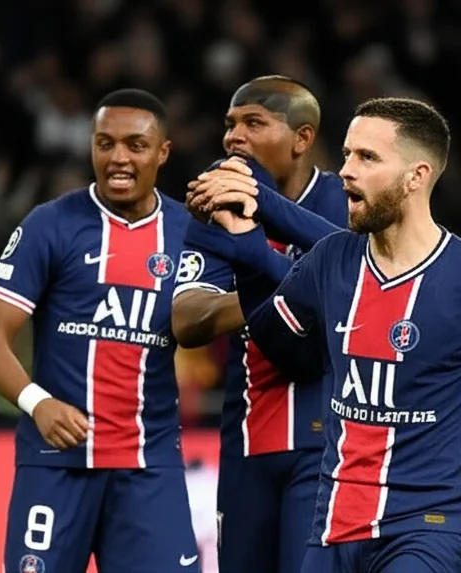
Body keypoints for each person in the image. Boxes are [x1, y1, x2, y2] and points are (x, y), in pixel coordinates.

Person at [194, 97, 461, 573]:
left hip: (432, 530)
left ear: (416, 176)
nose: (346, 170)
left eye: (367, 157)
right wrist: (245, 243)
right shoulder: (332, 261)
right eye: (347, 154)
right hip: (332, 531)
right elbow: (275, 343)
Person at [0, 89, 200, 573]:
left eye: (136, 145)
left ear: (163, 152)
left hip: (148, 467)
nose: (118, 158)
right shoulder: (49, 224)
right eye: (105, 143)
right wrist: (39, 403)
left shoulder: (191, 234)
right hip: (55, 462)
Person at [170, 75, 348, 573]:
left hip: (328, 445)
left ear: (302, 138)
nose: (234, 137)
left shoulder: (347, 203)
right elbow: (188, 319)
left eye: (254, 123)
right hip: (246, 444)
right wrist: (289, 293)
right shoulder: (216, 206)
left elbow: (352, 297)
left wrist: (254, 264)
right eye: (230, 125)